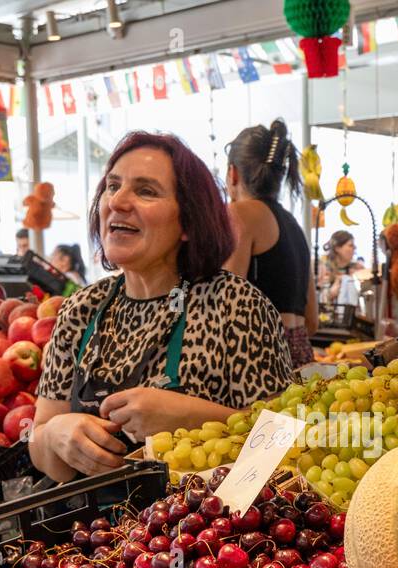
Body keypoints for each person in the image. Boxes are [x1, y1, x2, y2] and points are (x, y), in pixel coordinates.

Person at [30, 131, 294, 482]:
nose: (118, 201)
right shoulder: (80, 309)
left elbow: (284, 442)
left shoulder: (236, 306)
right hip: (89, 532)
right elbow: (36, 441)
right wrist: (54, 435)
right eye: (112, 186)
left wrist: (193, 418)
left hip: (197, 531)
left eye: (145, 191)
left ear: (188, 221)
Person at [222, 119, 316, 367]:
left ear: (233, 173)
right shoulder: (294, 225)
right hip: (301, 361)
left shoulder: (239, 214)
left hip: (258, 359)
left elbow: (224, 304)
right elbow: (312, 321)